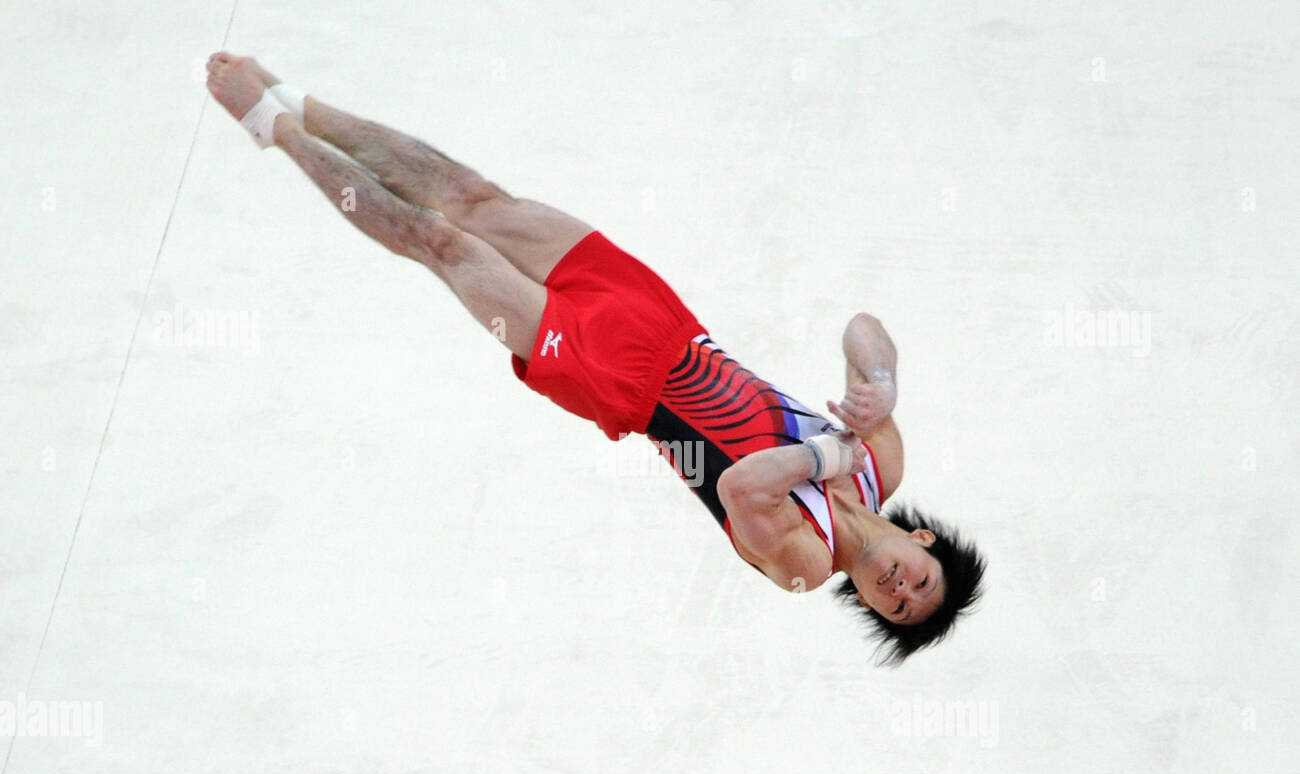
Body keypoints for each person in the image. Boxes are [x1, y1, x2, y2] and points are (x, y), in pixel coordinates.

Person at [205, 53, 985, 663]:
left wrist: (827, 451)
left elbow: (748, 483)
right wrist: (880, 384)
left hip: (613, 383)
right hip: (669, 323)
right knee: (477, 197)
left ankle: (273, 132)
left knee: (442, 244)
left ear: (873, 607)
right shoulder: (884, 462)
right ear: (920, 543)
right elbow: (862, 327)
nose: (900, 589)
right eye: (920, 582)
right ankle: (292, 102)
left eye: (898, 607)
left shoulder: (805, 565)